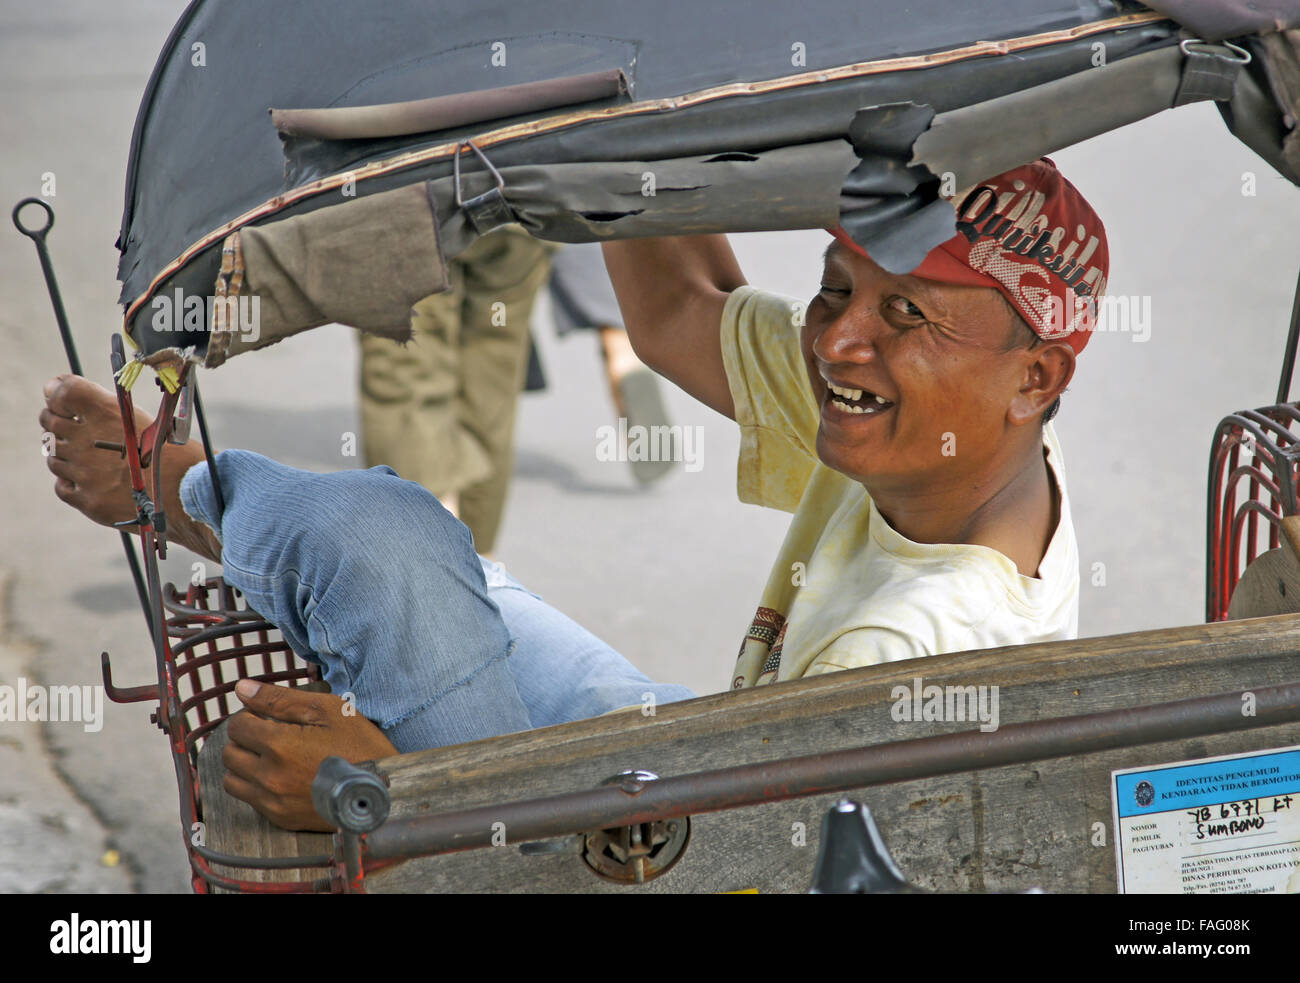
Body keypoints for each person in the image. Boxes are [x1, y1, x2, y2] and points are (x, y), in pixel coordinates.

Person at [40, 158, 1105, 831]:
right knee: (447, 565)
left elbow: (736, 866)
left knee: (378, 540)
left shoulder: (897, 656)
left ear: (1034, 379)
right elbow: (686, 308)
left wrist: (398, 799)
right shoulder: (952, 447)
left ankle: (178, 488)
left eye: (906, 315)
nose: (836, 337)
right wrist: (616, 121)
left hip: (699, 838)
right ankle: (194, 491)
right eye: (835, 286)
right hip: (710, 754)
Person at [359, 223, 553, 557]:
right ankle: (482, 567)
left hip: (410, 197)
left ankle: (435, 568)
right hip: (523, 195)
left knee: (407, 372)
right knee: (492, 379)